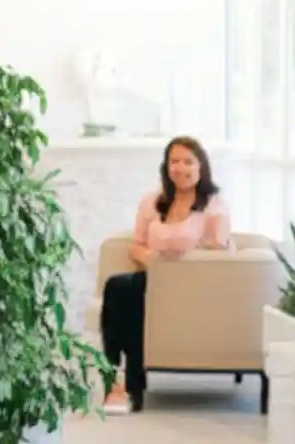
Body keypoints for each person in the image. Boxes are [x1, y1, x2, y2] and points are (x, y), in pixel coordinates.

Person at [100, 135, 231, 414]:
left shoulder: (214, 206)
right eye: (174, 161)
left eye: (187, 162)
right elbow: (136, 244)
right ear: (166, 166)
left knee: (126, 292)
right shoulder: (153, 201)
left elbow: (219, 254)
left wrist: (186, 256)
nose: (180, 168)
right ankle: (115, 383)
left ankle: (128, 385)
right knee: (120, 290)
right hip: (153, 279)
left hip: (193, 287)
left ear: (200, 167)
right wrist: (150, 258)